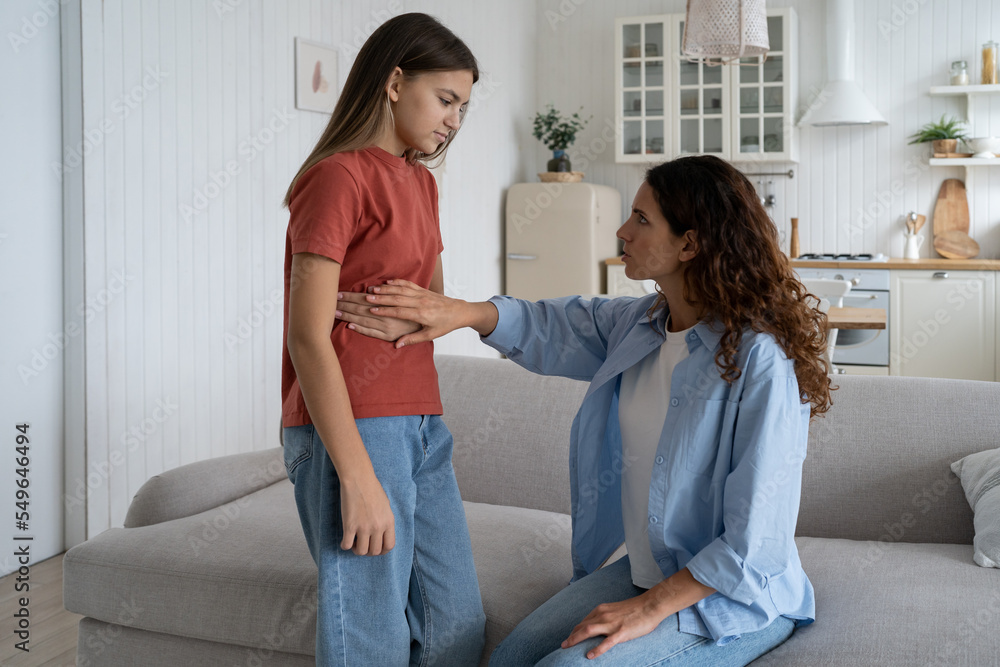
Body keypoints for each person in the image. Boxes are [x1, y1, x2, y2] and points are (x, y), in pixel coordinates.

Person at [334, 155, 834, 665]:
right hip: (653, 568)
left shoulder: (760, 360)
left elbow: (757, 542)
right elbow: (553, 325)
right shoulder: (640, 324)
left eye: (641, 219)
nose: (622, 230)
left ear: (690, 243)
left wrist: (650, 608)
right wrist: (461, 313)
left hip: (736, 597)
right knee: (508, 659)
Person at [279, 13, 485, 666]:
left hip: (421, 419)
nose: (454, 120)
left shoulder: (421, 184)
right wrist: (357, 475)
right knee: (370, 634)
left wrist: (420, 314)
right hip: (356, 425)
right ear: (395, 82)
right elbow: (308, 335)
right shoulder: (339, 177)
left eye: (464, 107)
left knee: (457, 623)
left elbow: (436, 301)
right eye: (446, 100)